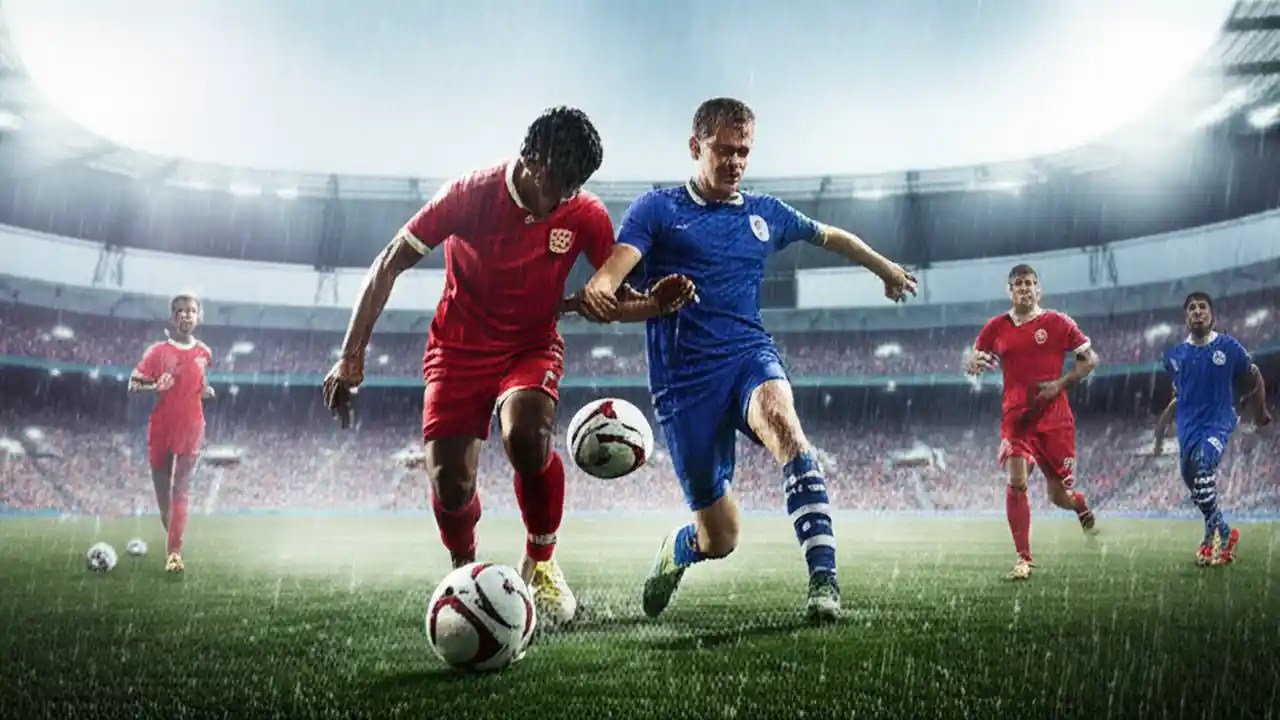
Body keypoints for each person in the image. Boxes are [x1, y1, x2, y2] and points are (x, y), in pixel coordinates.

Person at [321, 106, 693, 624]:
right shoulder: (468, 195)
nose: (565, 199)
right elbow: (389, 263)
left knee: (528, 435)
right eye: (558, 185)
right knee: (452, 482)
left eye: (574, 188)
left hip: (531, 345)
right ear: (531, 161)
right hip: (458, 348)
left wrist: (654, 302)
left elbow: (606, 300)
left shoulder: (583, 213)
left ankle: (540, 562)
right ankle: (464, 572)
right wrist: (351, 356)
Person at [580, 97, 917, 623]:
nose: (735, 162)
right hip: (683, 385)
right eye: (723, 150)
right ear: (696, 147)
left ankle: (823, 581)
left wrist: (884, 268)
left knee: (787, 428)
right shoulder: (657, 210)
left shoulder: (766, 214)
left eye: (744, 151)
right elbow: (612, 278)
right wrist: (602, 288)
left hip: (747, 356)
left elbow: (830, 236)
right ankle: (679, 548)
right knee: (722, 537)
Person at [966, 264, 1100, 581]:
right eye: (1018, 284)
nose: (1024, 288)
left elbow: (1090, 359)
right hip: (1017, 418)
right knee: (1017, 482)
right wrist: (973, 362)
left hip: (1055, 419)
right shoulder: (995, 327)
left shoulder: (1058, 323)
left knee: (1058, 497)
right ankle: (1023, 559)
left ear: (1038, 289)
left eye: (1030, 283)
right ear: (1009, 291)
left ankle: (1078, 504)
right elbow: (974, 357)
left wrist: (1060, 384)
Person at [1153, 291, 1270, 566]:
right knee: (1192, 479)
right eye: (1191, 308)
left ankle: (1225, 535)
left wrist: (1260, 412)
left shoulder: (1230, 348)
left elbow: (1254, 378)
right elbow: (1178, 393)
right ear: (1186, 318)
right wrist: (1164, 426)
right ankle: (1211, 535)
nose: (1197, 311)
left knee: (1202, 464)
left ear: (1212, 315)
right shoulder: (1174, 356)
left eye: (1202, 307)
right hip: (1188, 427)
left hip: (1218, 422)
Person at [129, 294, 215, 573]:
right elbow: (133, 384)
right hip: (163, 427)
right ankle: (174, 542)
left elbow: (199, 383)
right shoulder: (158, 352)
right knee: (163, 495)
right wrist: (155, 387)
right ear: (172, 317)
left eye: (191, 311)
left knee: (182, 489)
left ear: (199, 316)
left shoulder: (205, 352)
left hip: (192, 427)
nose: (186, 316)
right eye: (180, 311)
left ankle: (174, 553)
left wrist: (205, 391)